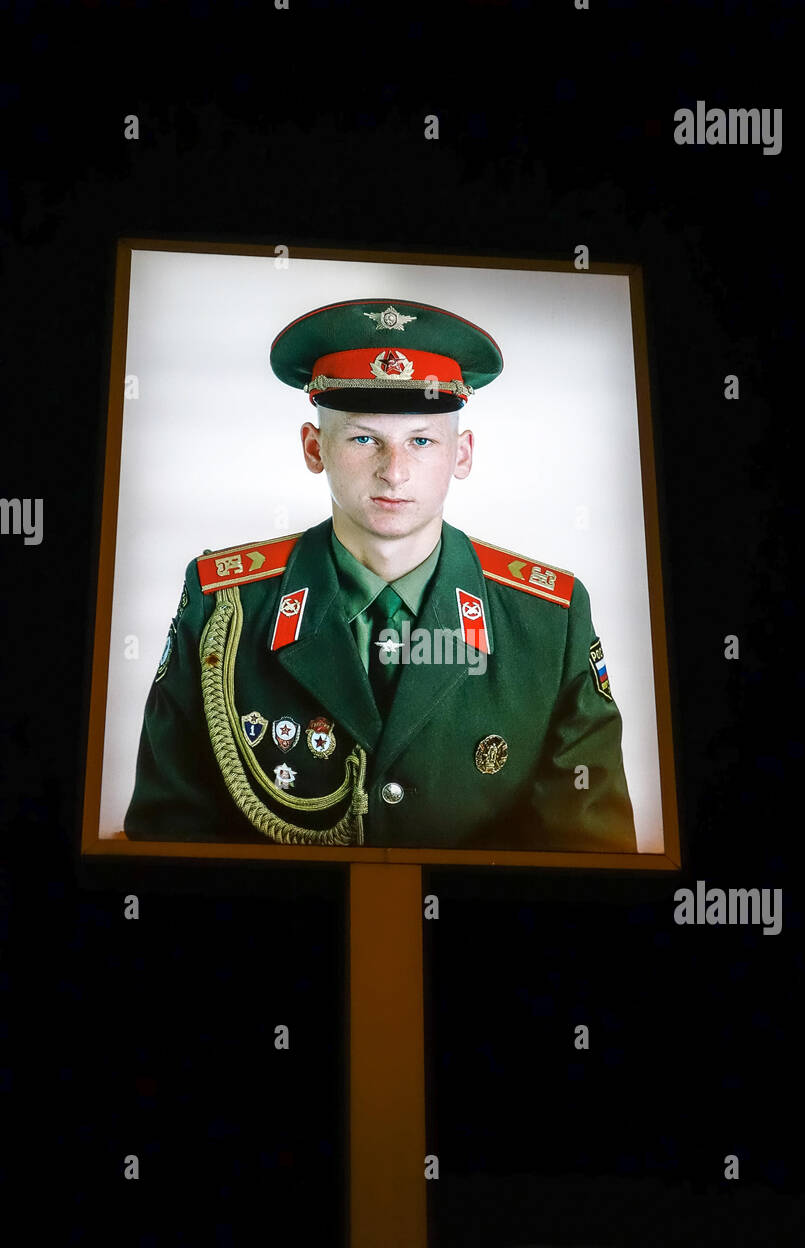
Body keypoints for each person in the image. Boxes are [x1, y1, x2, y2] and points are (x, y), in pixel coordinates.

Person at [124, 297, 637, 851]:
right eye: (363, 438)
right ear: (313, 447)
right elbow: (167, 839)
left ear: (461, 454)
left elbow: (591, 859)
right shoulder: (224, 603)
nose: (394, 471)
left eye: (422, 441)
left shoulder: (548, 621)